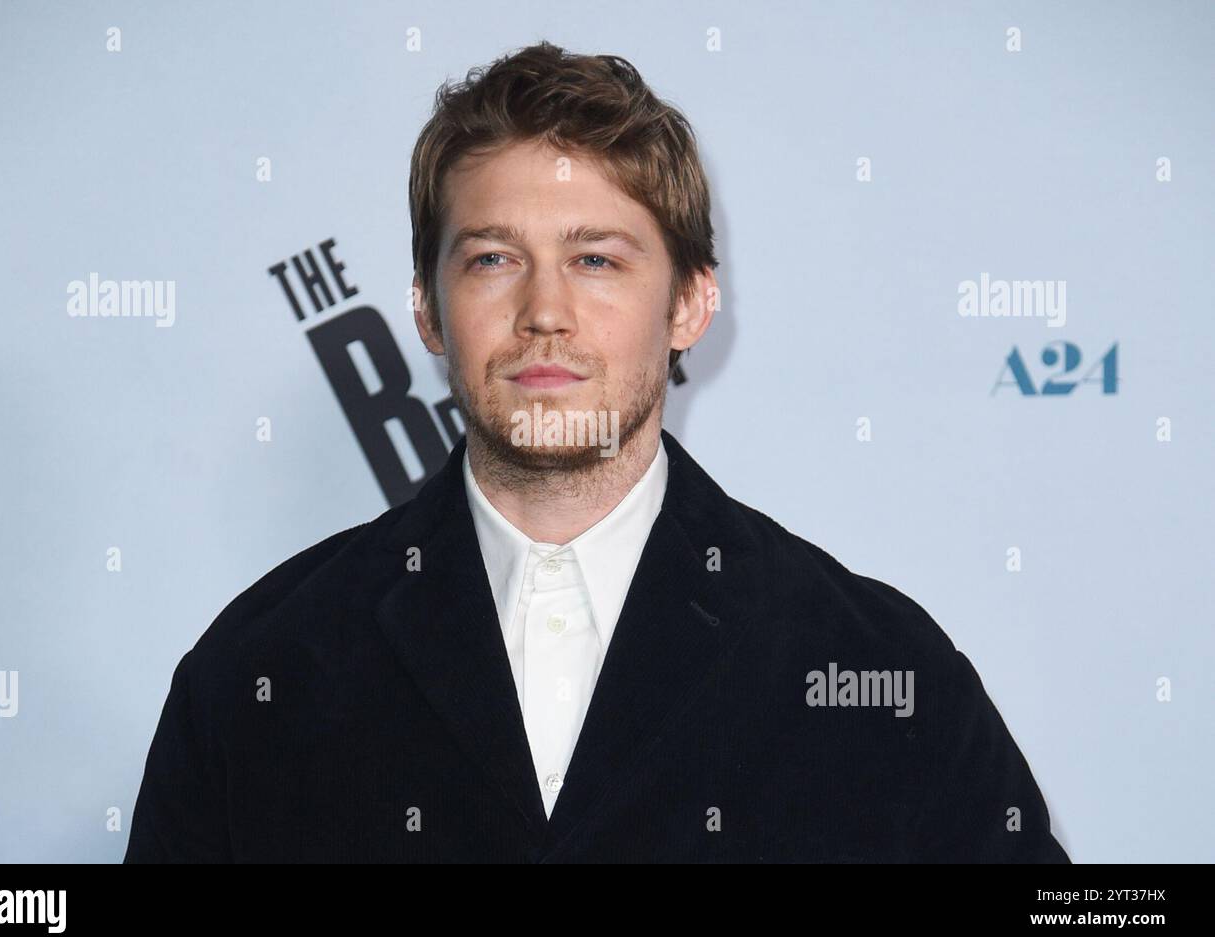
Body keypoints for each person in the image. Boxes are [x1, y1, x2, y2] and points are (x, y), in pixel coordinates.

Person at [125, 40, 1069, 863]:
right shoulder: (260, 672)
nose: (544, 311)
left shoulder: (880, 675)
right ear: (425, 308)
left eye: (597, 259)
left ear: (692, 304)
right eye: (493, 257)